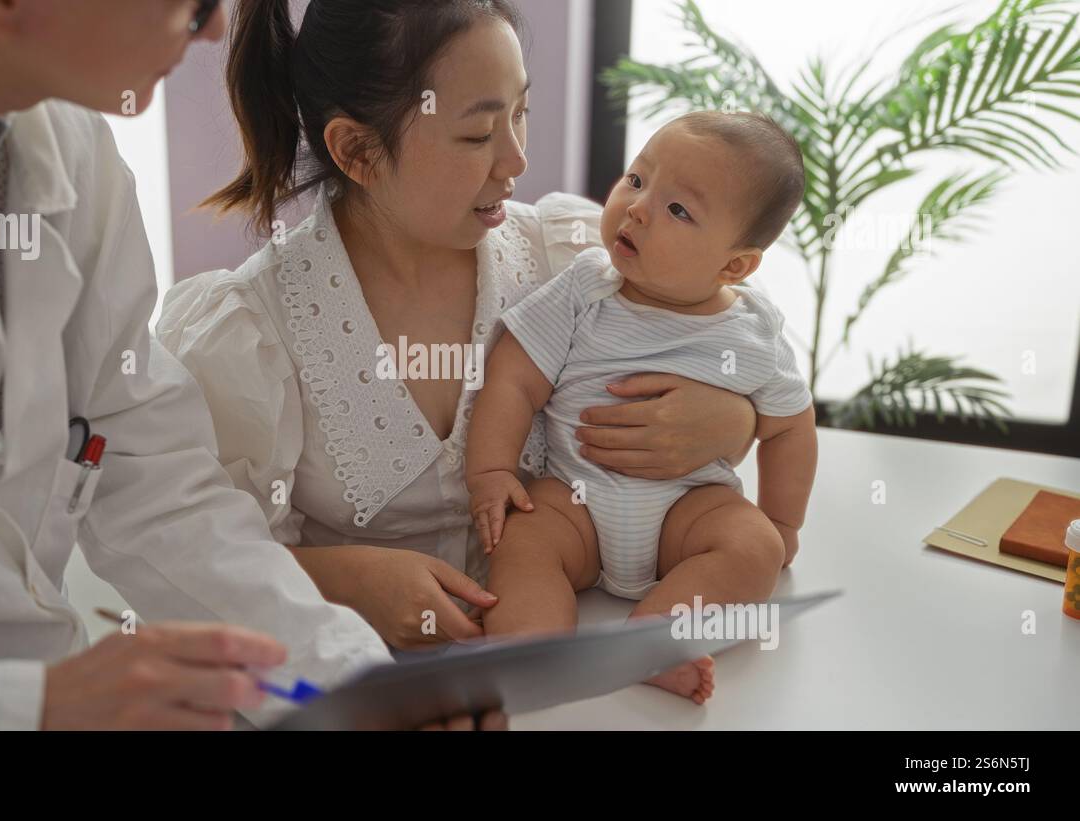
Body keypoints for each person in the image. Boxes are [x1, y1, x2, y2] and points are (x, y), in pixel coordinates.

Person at [0, 0, 426, 731]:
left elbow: (156, 485)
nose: (214, 29)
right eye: (196, 3)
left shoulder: (68, 151)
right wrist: (25, 710)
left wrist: (350, 685)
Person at [158, 0, 760, 654]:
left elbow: (735, 340)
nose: (517, 160)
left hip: (580, 665)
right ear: (356, 150)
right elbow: (193, 560)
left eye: (521, 113)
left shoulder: (567, 259)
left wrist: (736, 419)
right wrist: (342, 579)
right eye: (478, 135)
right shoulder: (253, 331)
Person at [465, 111, 818, 704]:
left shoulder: (754, 330)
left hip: (688, 511)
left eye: (679, 210)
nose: (638, 208)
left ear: (735, 264)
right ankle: (528, 644)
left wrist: (783, 524)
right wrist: (492, 470)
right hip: (573, 498)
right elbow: (515, 376)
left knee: (753, 548)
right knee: (525, 541)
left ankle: (653, 642)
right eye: (636, 179)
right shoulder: (586, 287)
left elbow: (791, 429)